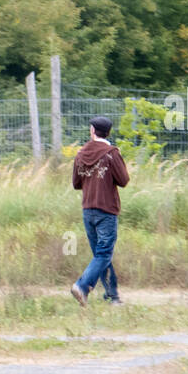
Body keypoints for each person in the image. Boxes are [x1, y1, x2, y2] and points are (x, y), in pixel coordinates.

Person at [70, 115, 129, 307]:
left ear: (93, 131)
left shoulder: (80, 154)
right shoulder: (112, 153)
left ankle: (113, 297)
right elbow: (124, 180)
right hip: (106, 210)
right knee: (104, 254)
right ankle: (82, 285)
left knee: (100, 255)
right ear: (108, 132)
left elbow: (76, 183)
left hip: (88, 209)